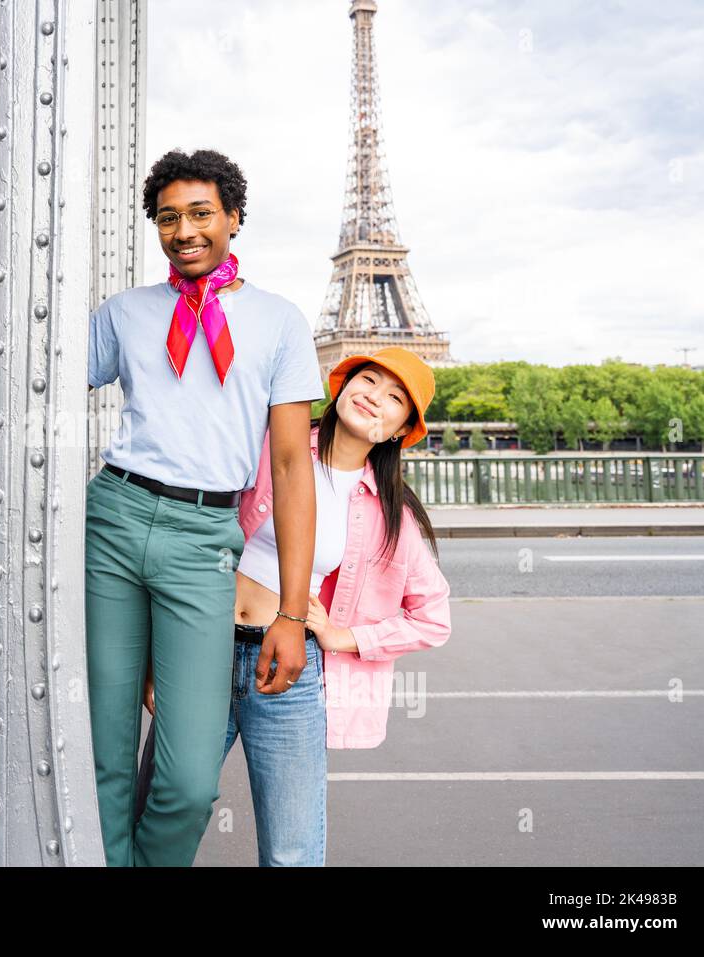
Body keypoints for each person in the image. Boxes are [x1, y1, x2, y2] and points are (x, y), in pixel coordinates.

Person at [85, 149, 323, 866]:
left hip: (203, 539)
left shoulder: (279, 321)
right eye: (168, 217)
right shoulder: (125, 313)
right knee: (103, 753)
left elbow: (290, 467)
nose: (184, 230)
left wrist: (292, 610)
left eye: (200, 213)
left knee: (186, 779)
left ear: (234, 219)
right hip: (115, 521)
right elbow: (39, 375)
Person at [137, 346, 452, 865]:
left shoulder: (388, 515)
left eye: (395, 399)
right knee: (163, 814)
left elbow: (433, 616)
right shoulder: (266, 444)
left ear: (401, 430)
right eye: (369, 381)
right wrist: (158, 647)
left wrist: (341, 636)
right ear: (342, 384)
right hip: (199, 649)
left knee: (292, 851)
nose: (375, 398)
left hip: (287, 671)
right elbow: (184, 534)